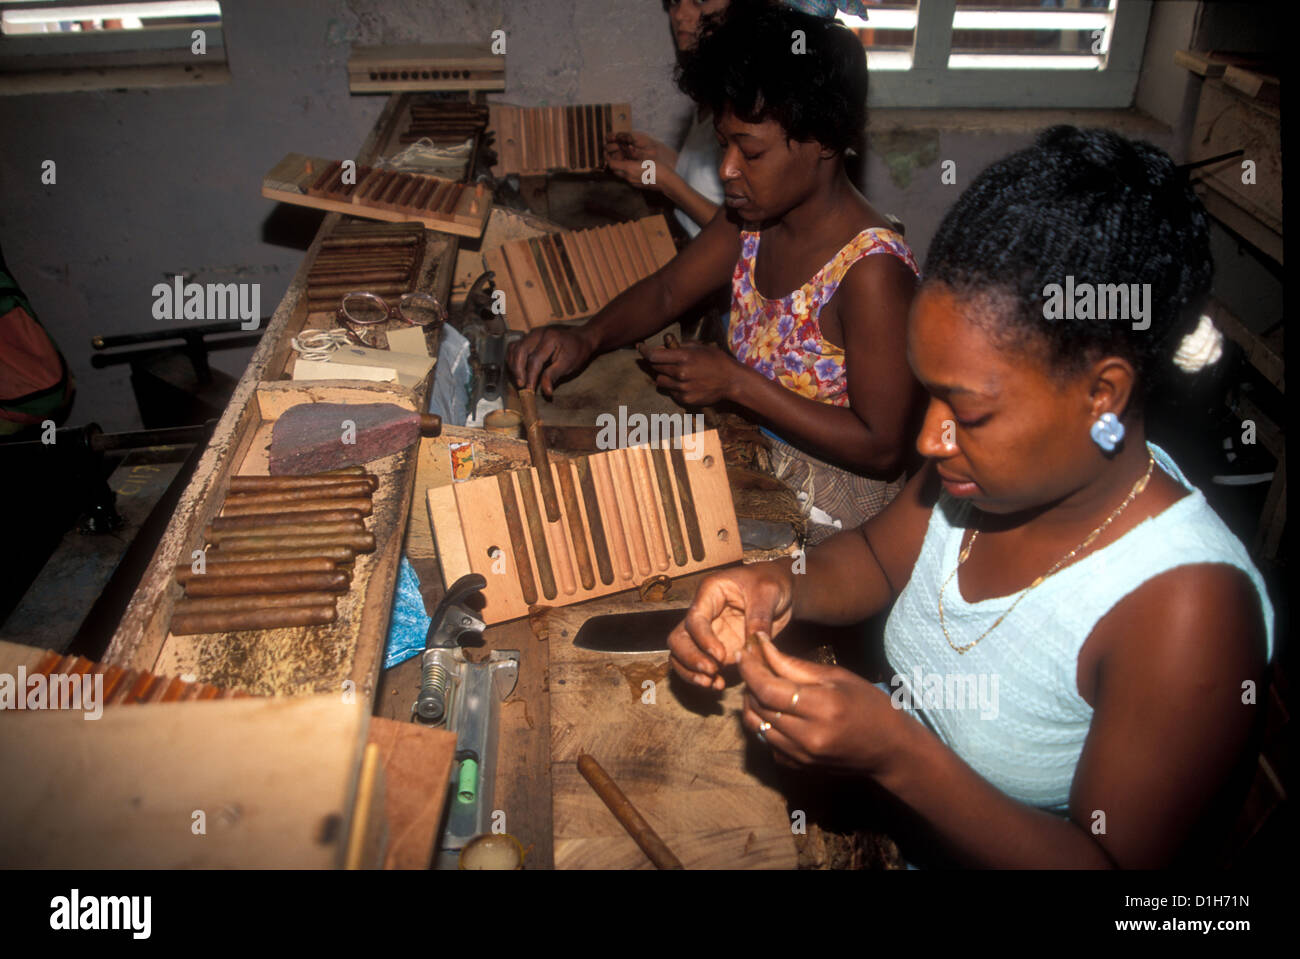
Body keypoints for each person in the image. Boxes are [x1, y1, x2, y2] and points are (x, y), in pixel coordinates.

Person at [667, 126, 1275, 868]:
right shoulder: (986, 472)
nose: (929, 438)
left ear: (1104, 396)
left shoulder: (1187, 610)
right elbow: (873, 559)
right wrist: (775, 582)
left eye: (969, 410)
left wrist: (897, 754)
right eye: (931, 394)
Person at [512, 4, 922, 542]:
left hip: (839, 518)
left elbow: (882, 445)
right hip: (755, 454)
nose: (727, 169)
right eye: (725, 143)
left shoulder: (872, 273)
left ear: (823, 142)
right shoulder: (754, 219)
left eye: (749, 151)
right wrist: (586, 336)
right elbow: (666, 292)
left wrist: (737, 383)